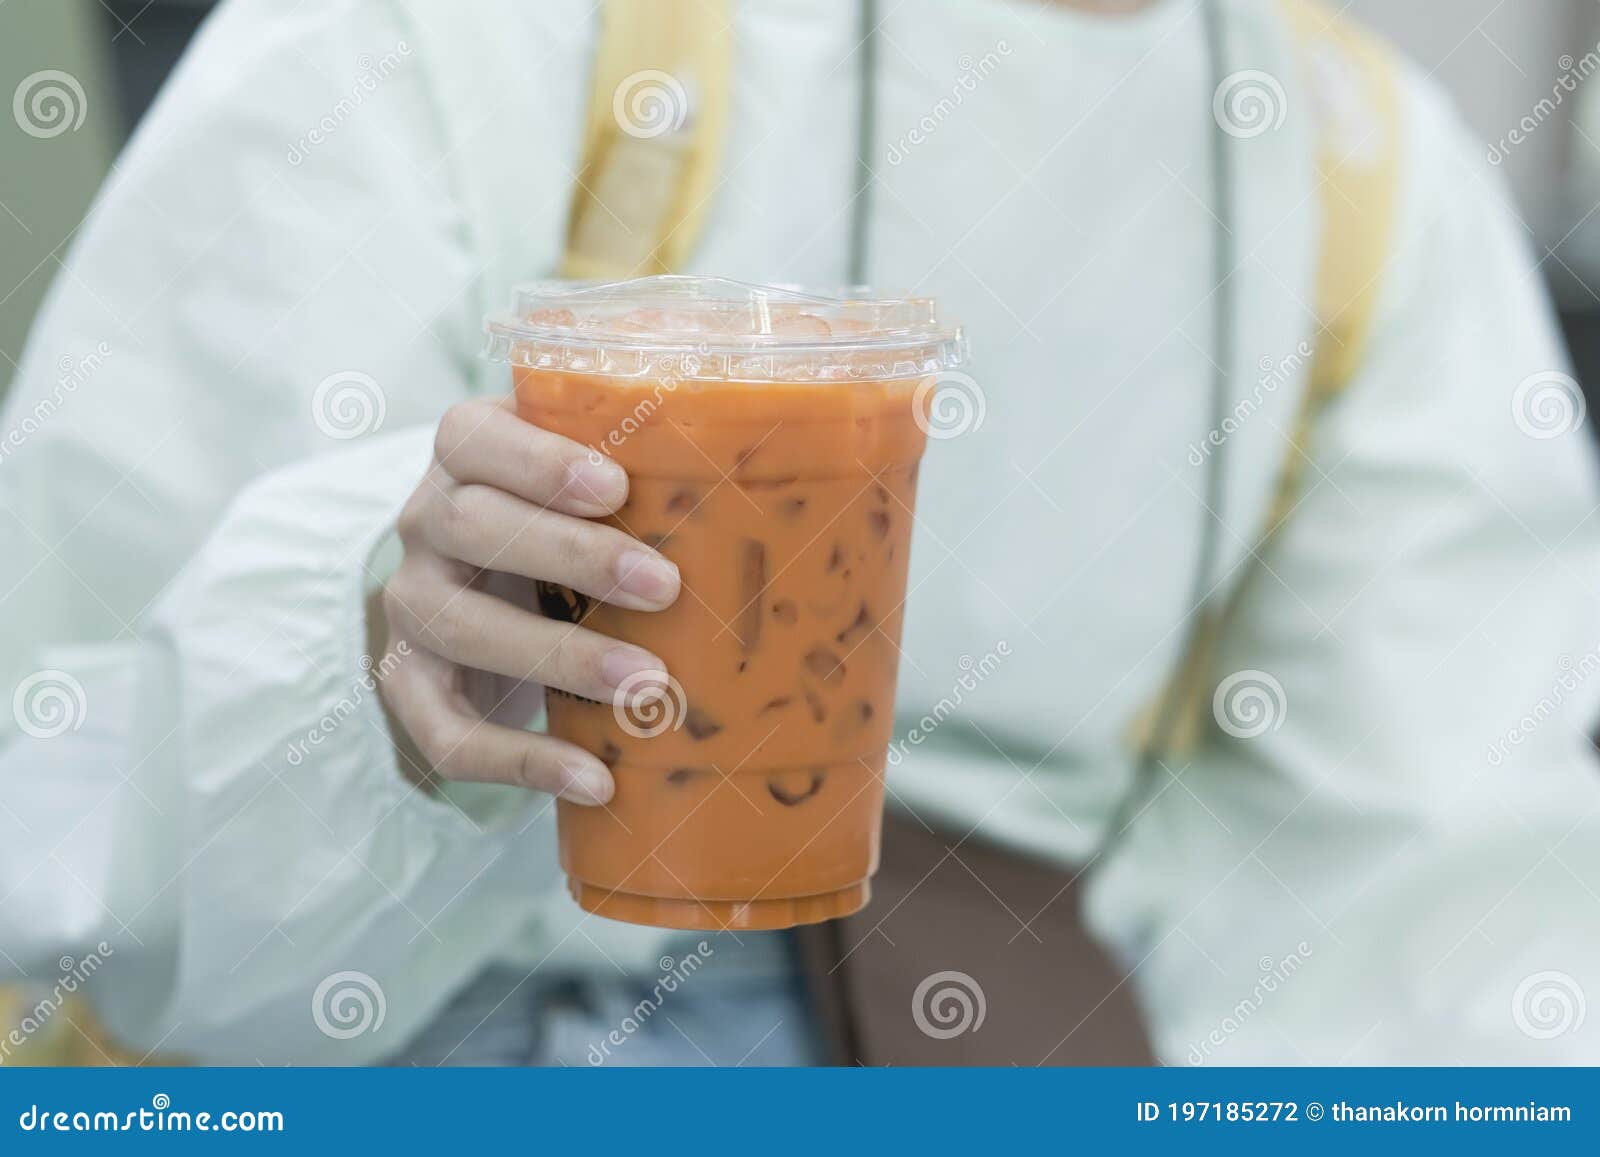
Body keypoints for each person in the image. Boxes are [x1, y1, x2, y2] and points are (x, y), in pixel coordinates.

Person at [3, 0, 1599, 1066]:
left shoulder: (1363, 179)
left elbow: (1429, 924)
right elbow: (70, 806)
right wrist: (363, 662)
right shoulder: (458, 38)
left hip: (997, 1032)